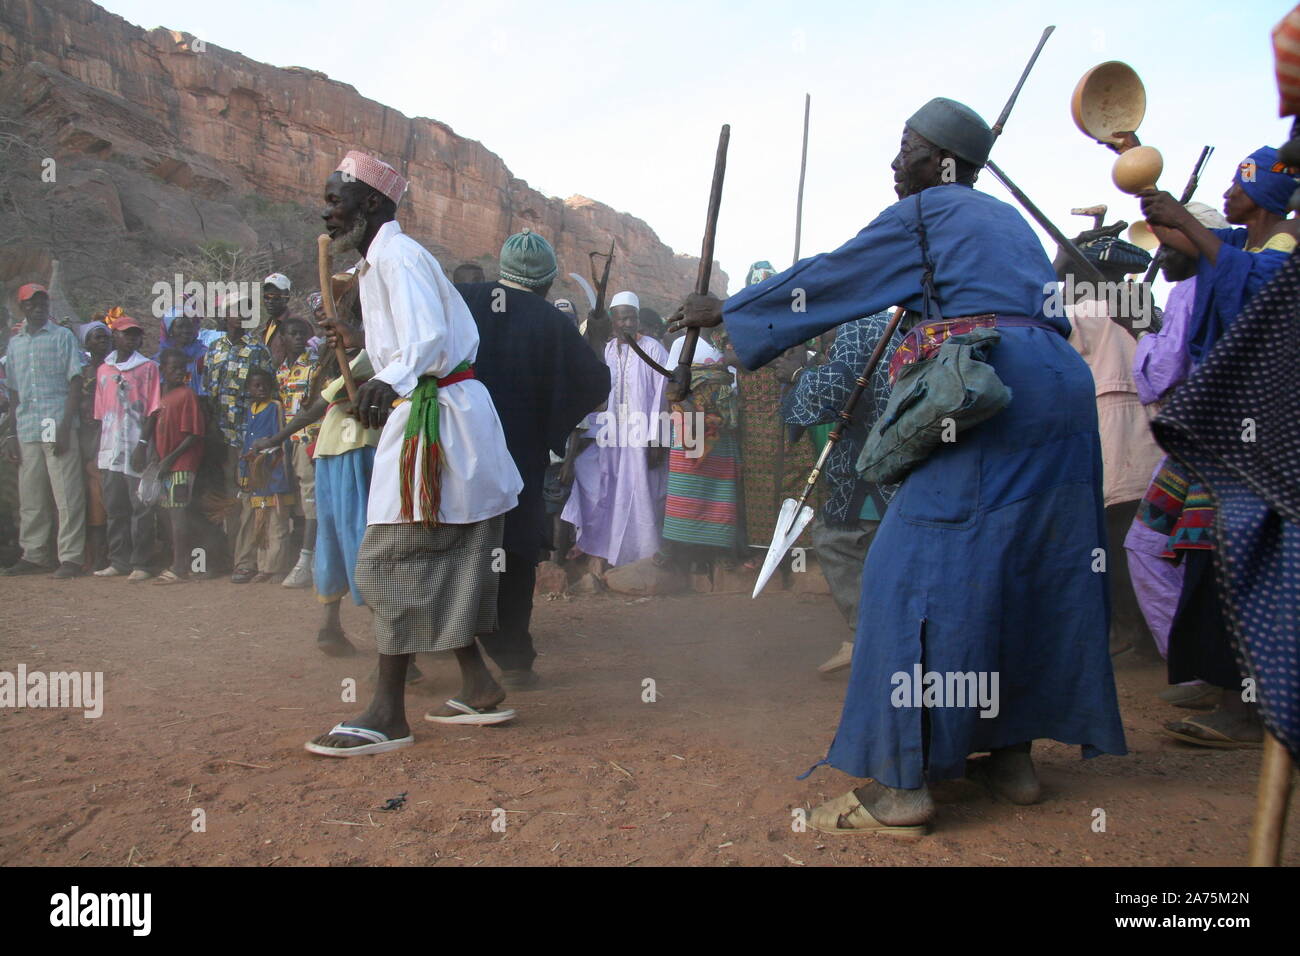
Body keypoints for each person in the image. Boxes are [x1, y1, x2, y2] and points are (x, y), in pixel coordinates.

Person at [669, 97, 1126, 836]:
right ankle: (1009, 758)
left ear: (942, 159)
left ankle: (903, 786)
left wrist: (725, 311)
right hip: (1059, 393)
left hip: (987, 390)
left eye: (907, 145)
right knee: (1025, 568)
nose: (895, 159)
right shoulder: (1006, 221)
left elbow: (834, 276)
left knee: (905, 576)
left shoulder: (928, 215)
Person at [306, 150, 522, 757]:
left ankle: (386, 713)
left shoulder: (396, 257)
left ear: (370, 203)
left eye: (334, 200)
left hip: (438, 420)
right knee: (440, 553)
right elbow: (414, 343)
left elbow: (426, 344)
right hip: (441, 415)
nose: (326, 213)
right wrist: (361, 345)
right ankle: (478, 685)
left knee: (398, 555)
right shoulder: (383, 264)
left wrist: (384, 379)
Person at [456, 228, 610, 687]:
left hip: (455, 450)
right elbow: (594, 388)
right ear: (547, 282)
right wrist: (596, 343)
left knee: (455, 541)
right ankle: (513, 657)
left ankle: (441, 645)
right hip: (516, 459)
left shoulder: (461, 297)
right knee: (513, 552)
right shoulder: (552, 322)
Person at [1123, 202, 1229, 709]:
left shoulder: (1192, 291)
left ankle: (1211, 676)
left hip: (1210, 447)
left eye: (1168, 241)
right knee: (1153, 547)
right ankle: (1198, 671)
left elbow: (1163, 374)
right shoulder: (1207, 287)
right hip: (1196, 446)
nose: (1160, 254)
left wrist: (1140, 332)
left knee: (1173, 553)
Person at [1053, 227, 1163, 657]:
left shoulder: (1086, 310)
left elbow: (1036, 318)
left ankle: (1126, 632)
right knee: (1143, 537)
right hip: (1149, 432)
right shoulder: (1146, 308)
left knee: (1115, 543)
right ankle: (1146, 634)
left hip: (1112, 433)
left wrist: (1060, 261)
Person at [781, 311, 902, 674]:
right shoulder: (884, 324)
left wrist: (798, 376)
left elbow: (843, 392)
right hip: (898, 457)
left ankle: (872, 639)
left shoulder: (857, 328)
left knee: (835, 538)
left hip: (874, 465)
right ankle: (883, 638)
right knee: (884, 553)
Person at [560, 290, 668, 572]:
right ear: (613, 321)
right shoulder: (609, 350)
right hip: (612, 435)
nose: (628, 324)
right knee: (601, 483)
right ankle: (606, 549)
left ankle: (643, 554)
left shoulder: (654, 349)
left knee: (641, 493)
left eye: (632, 318)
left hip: (642, 436)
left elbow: (662, 396)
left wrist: (657, 439)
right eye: (622, 319)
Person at [735, 261, 819, 561]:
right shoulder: (742, 321)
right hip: (755, 416)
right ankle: (762, 551)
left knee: (800, 471)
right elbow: (735, 357)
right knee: (757, 480)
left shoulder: (793, 319)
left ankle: (797, 550)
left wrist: (790, 360)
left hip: (789, 408)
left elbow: (805, 356)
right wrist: (772, 357)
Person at [2, 284, 87, 578]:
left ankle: (71, 558)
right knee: (31, 496)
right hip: (26, 425)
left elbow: (75, 382)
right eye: (32, 303)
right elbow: (14, 393)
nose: (39, 307)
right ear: (21, 306)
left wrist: (65, 426)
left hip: (56, 421)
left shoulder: (63, 337)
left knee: (67, 494)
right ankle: (35, 554)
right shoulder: (15, 344)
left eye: (43, 302)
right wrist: (11, 434)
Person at [656, 327, 744, 575]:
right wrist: (690, 415)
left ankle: (719, 552)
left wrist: (719, 413)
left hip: (721, 422)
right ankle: (672, 547)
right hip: (688, 421)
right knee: (684, 489)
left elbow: (735, 381)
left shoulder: (728, 343)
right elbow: (673, 386)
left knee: (720, 490)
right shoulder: (681, 344)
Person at [203, 295, 275, 582]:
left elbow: (271, 393)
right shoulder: (213, 349)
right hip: (221, 436)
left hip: (250, 436)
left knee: (250, 497)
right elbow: (208, 393)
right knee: (229, 498)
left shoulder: (258, 350)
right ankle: (232, 555)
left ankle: (247, 561)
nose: (239, 316)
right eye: (233, 311)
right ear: (223, 315)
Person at [91, 313, 161, 581]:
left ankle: (141, 562)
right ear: (115, 336)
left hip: (135, 445)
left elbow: (153, 410)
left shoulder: (148, 368)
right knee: (115, 505)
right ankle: (118, 560)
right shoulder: (104, 370)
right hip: (110, 448)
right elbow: (100, 414)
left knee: (140, 506)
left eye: (136, 334)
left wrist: (143, 443)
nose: (132, 338)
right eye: (126, 333)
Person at [151, 348, 205, 585]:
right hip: (168, 464)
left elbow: (193, 434)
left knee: (178, 514)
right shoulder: (163, 398)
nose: (178, 372)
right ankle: (182, 562)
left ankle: (180, 566)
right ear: (163, 370)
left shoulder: (186, 395)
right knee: (171, 514)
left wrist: (169, 459)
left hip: (180, 464)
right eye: (173, 368)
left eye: (182, 368)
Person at [236, 368, 293, 583]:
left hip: (273, 470)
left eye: (264, 385)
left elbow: (280, 438)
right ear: (248, 388)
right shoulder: (251, 409)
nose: (261, 389)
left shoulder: (275, 407)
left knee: (277, 523)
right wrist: (245, 473)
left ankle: (277, 567)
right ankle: (263, 566)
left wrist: (274, 464)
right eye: (256, 386)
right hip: (256, 473)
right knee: (260, 523)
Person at [275, 317, 320, 589]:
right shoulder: (281, 370)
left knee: (311, 497)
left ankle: (307, 561)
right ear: (282, 337)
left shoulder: (315, 365)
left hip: (310, 438)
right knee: (300, 500)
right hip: (288, 441)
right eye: (292, 333)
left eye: (302, 333)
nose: (297, 338)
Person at [78, 320, 112, 572]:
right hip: (86, 435)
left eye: (105, 337)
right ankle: (95, 555)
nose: (102, 342)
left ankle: (109, 555)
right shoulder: (82, 372)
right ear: (86, 342)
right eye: (96, 338)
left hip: (110, 435)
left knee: (107, 496)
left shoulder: (117, 368)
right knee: (92, 496)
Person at [261, 273, 294, 367]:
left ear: (287, 298)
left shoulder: (296, 324)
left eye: (276, 297)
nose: (270, 302)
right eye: (266, 297)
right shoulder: (269, 324)